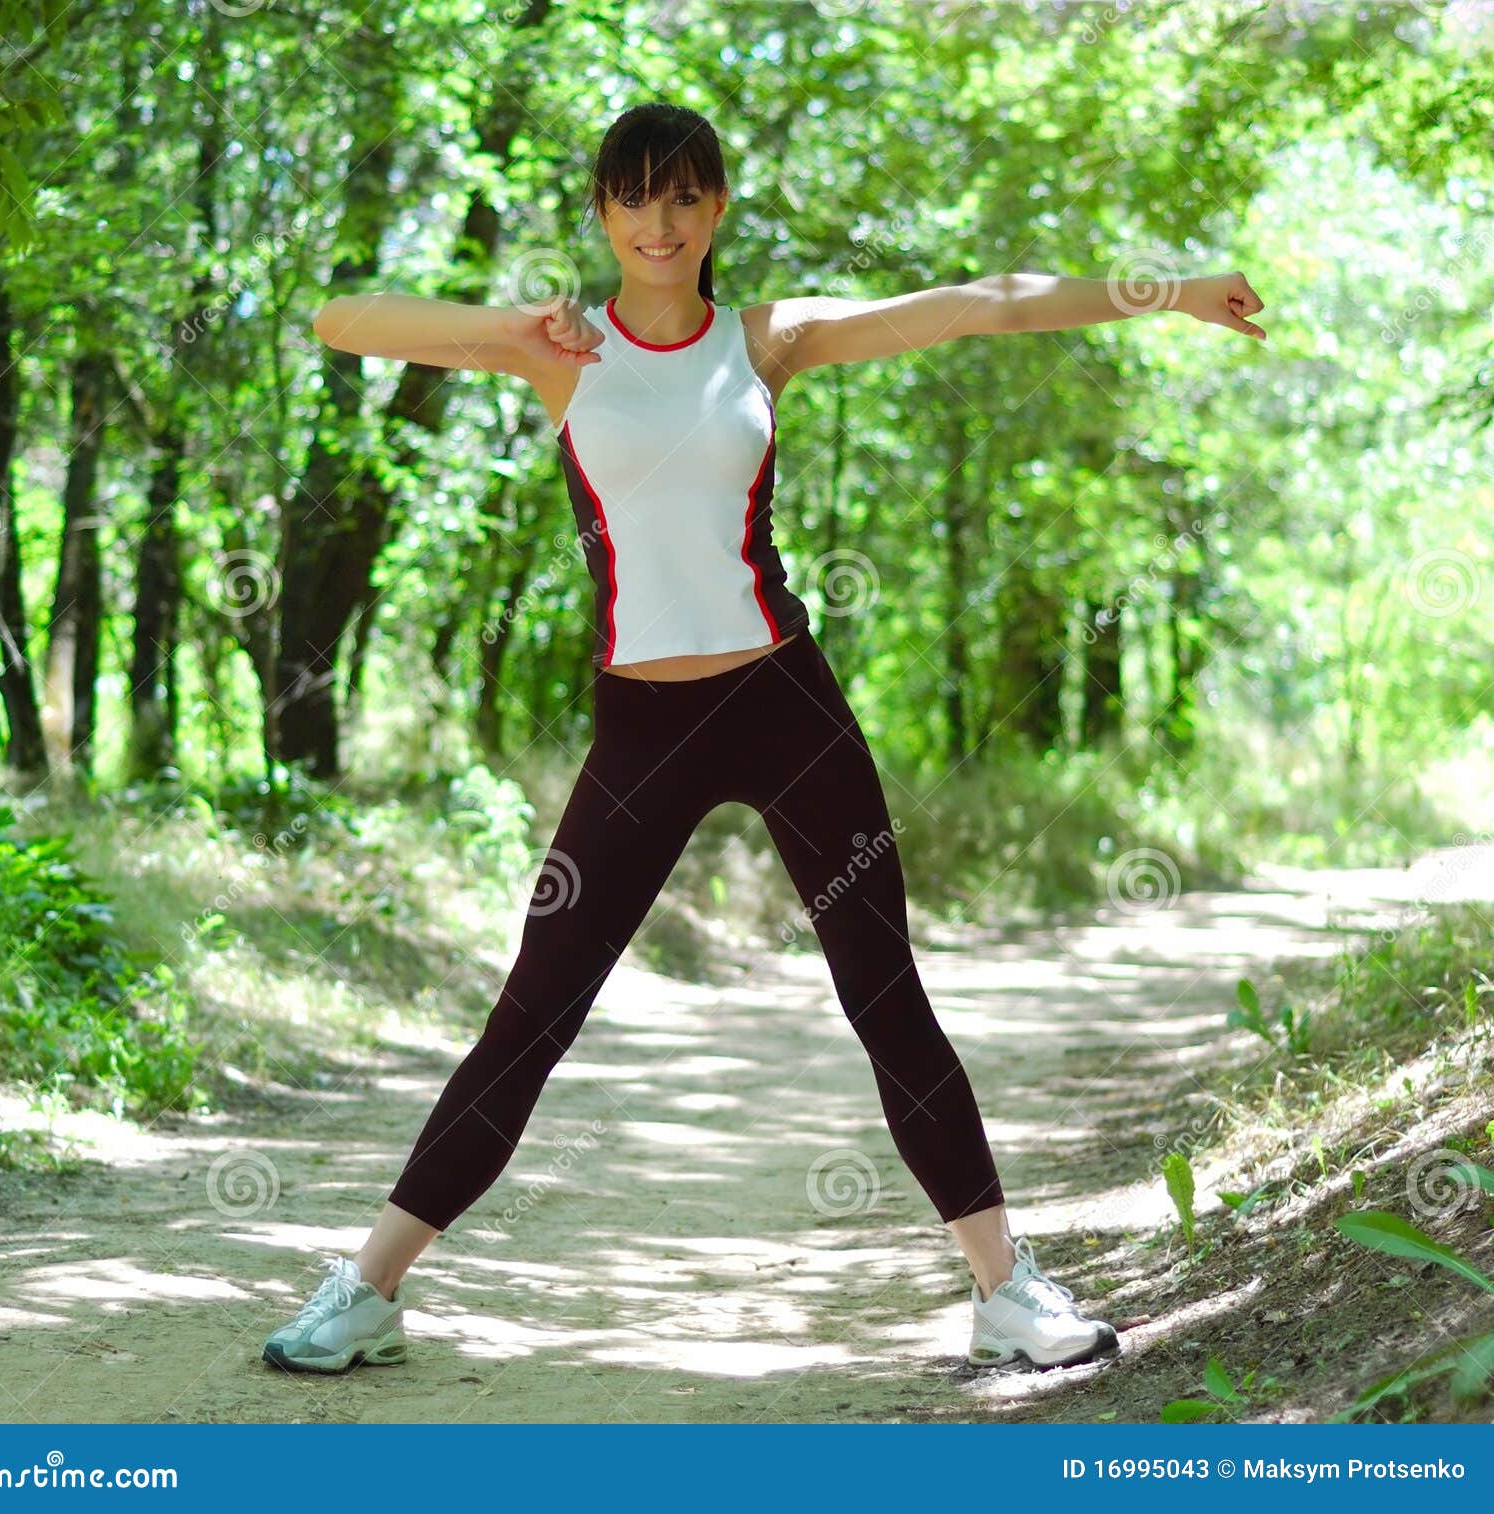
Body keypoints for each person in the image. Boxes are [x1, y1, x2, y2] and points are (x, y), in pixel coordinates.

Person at [265, 102, 1266, 1379]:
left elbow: (970, 303)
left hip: (783, 702)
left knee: (885, 993)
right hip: (642, 725)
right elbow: (339, 321)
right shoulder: (562, 355)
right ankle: (366, 1287)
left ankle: (1004, 1287)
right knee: (534, 1010)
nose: (658, 223)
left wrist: (1168, 290)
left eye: (684, 198)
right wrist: (511, 328)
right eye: (633, 198)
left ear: (717, 208)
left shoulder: (766, 339)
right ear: (603, 211)